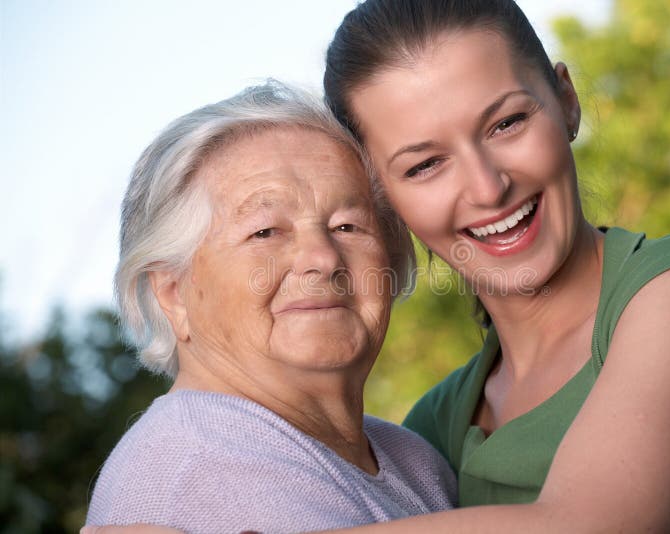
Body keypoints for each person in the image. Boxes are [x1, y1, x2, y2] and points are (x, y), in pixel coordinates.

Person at [319, 0, 670, 531]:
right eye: (426, 164)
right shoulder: (432, 429)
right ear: (384, 200)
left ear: (566, 101)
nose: (487, 187)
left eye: (506, 123)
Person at [84, 80, 456, 533]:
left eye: (347, 225)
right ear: (172, 293)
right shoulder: (194, 469)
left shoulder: (413, 459)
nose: (322, 257)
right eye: (265, 232)